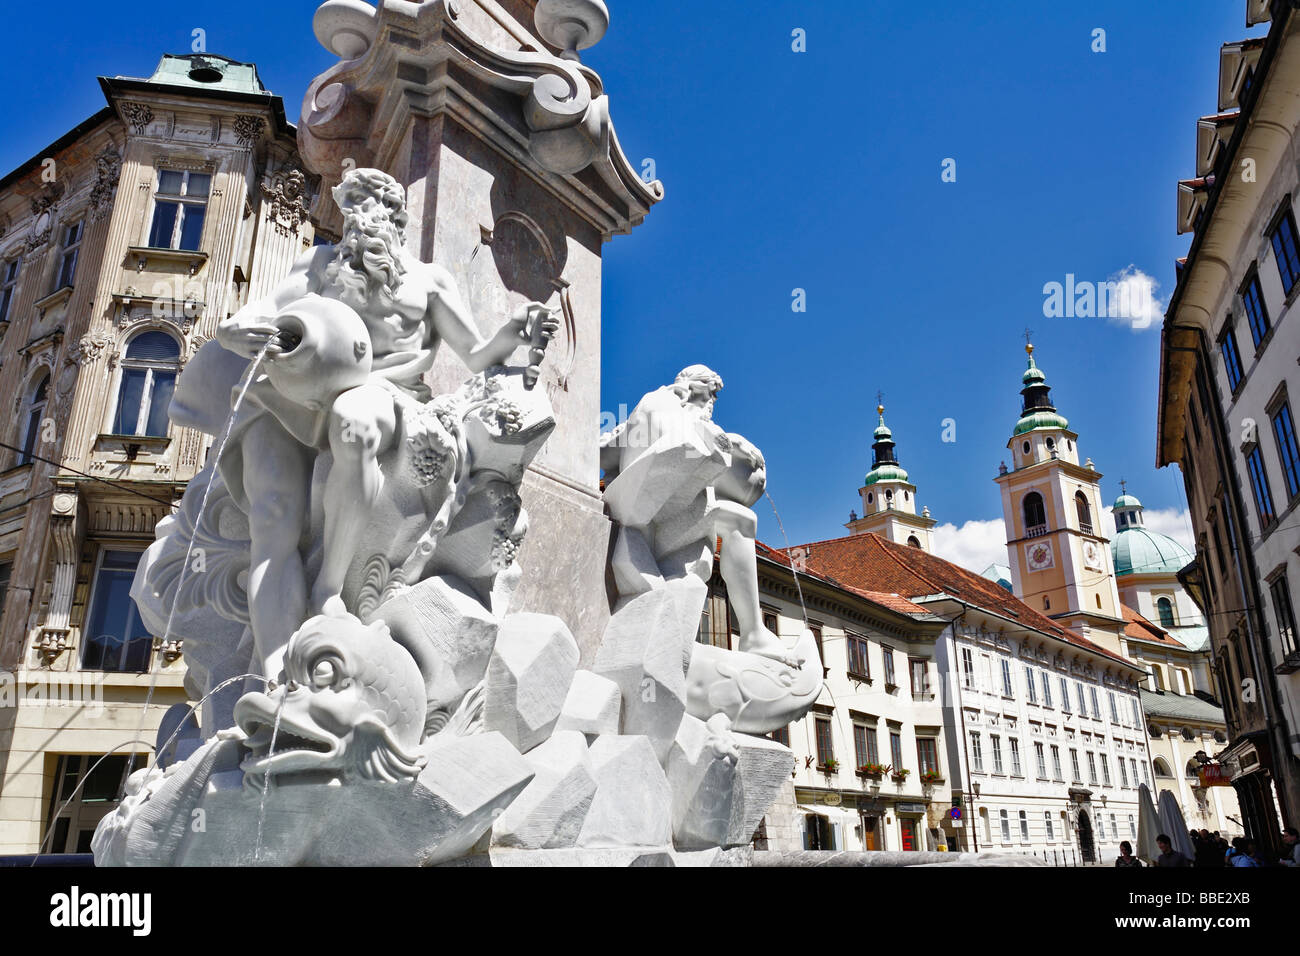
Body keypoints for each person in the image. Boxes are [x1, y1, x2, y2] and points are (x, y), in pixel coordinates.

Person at [218, 168, 558, 651]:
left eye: (371, 201)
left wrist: (516, 328)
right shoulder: (319, 264)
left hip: (388, 395)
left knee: (354, 420)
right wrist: (232, 332)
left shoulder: (428, 281)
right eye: (351, 203)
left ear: (397, 215)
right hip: (301, 395)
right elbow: (257, 313)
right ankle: (275, 655)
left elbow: (478, 355)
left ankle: (328, 588)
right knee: (276, 502)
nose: (360, 214)